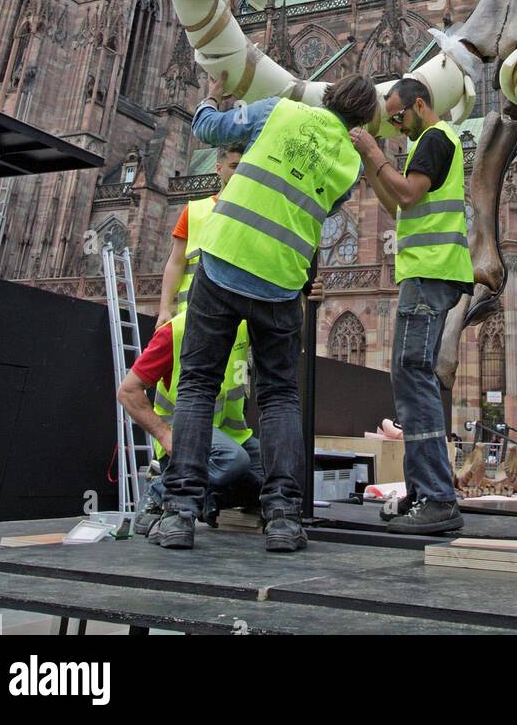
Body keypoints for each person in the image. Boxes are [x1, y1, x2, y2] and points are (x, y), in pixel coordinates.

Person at [153, 71, 378, 553]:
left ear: (329, 95)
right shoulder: (350, 163)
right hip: (281, 282)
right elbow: (324, 208)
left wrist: (211, 95)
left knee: (196, 385)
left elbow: (210, 131)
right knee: (278, 397)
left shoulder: (280, 109)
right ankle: (282, 518)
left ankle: (179, 514)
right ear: (362, 119)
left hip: (225, 260)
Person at [350, 76, 473, 534]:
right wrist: (371, 164)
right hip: (426, 273)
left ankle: (439, 498)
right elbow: (395, 202)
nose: (397, 126)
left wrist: (373, 150)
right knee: (408, 374)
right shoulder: (428, 141)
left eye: (399, 116)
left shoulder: (434, 139)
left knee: (414, 375)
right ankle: (424, 492)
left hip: (432, 272)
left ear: (420, 105)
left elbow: (406, 193)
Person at [117, 313, 262, 535]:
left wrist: (306, 298)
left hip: (230, 436)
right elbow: (128, 391)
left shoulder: (242, 325)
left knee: (277, 477)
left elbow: (284, 330)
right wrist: (165, 435)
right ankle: (157, 495)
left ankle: (207, 501)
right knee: (232, 460)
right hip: (185, 438)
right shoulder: (174, 332)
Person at [156, 142, 246, 327]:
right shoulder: (195, 209)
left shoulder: (255, 212)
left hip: (239, 317)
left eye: (244, 168)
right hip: (192, 314)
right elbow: (176, 261)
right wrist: (164, 308)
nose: (239, 173)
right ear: (219, 169)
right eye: (234, 166)